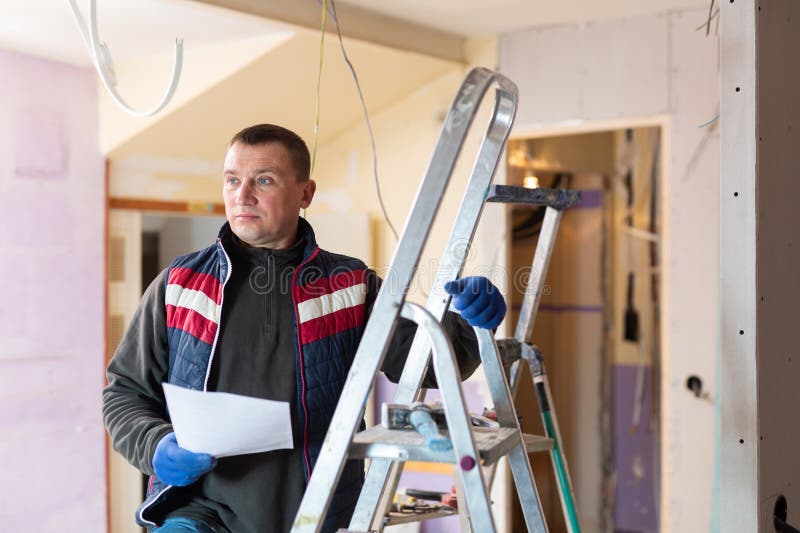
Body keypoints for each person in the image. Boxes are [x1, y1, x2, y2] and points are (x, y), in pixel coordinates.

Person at [103, 124, 507, 533]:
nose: (242, 196)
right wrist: (154, 445)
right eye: (231, 180)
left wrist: (472, 321)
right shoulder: (180, 285)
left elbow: (429, 367)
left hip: (318, 512)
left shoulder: (351, 286)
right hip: (198, 513)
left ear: (305, 193)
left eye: (264, 180)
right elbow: (123, 394)